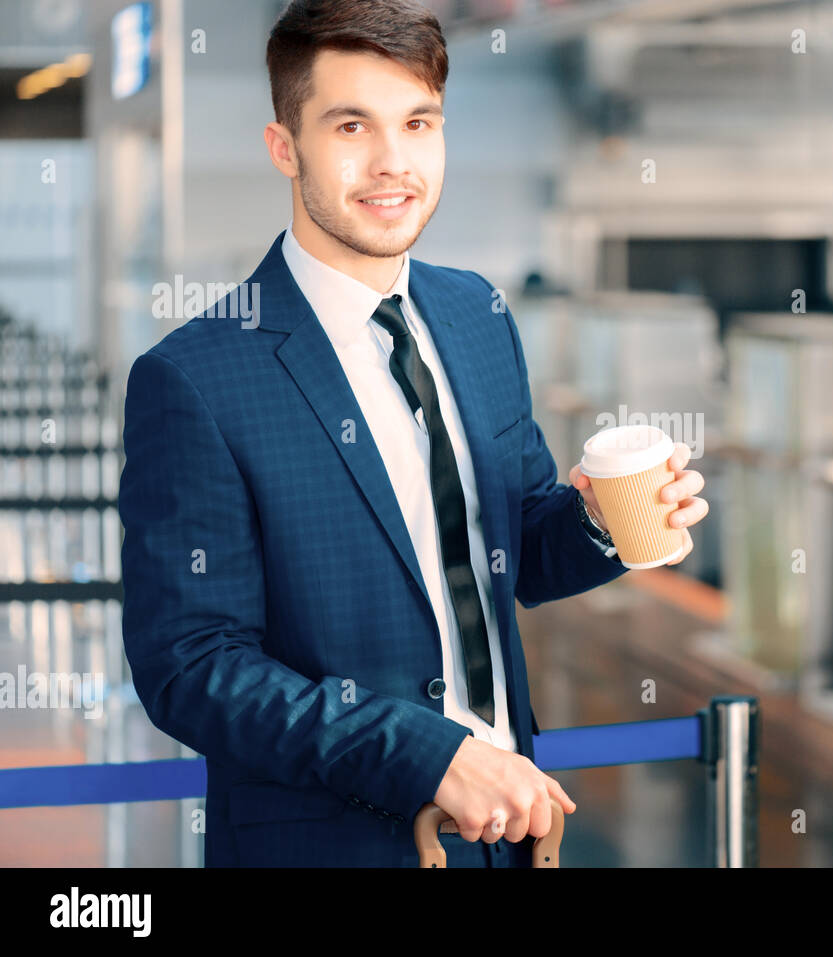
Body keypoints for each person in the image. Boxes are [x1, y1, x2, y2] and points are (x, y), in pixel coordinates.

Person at [117, 0, 708, 867]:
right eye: (351, 125)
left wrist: (599, 520)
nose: (393, 162)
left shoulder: (476, 313)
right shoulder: (196, 378)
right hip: (337, 846)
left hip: (513, 831)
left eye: (418, 123)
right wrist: (428, 755)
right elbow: (192, 666)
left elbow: (511, 550)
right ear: (285, 146)